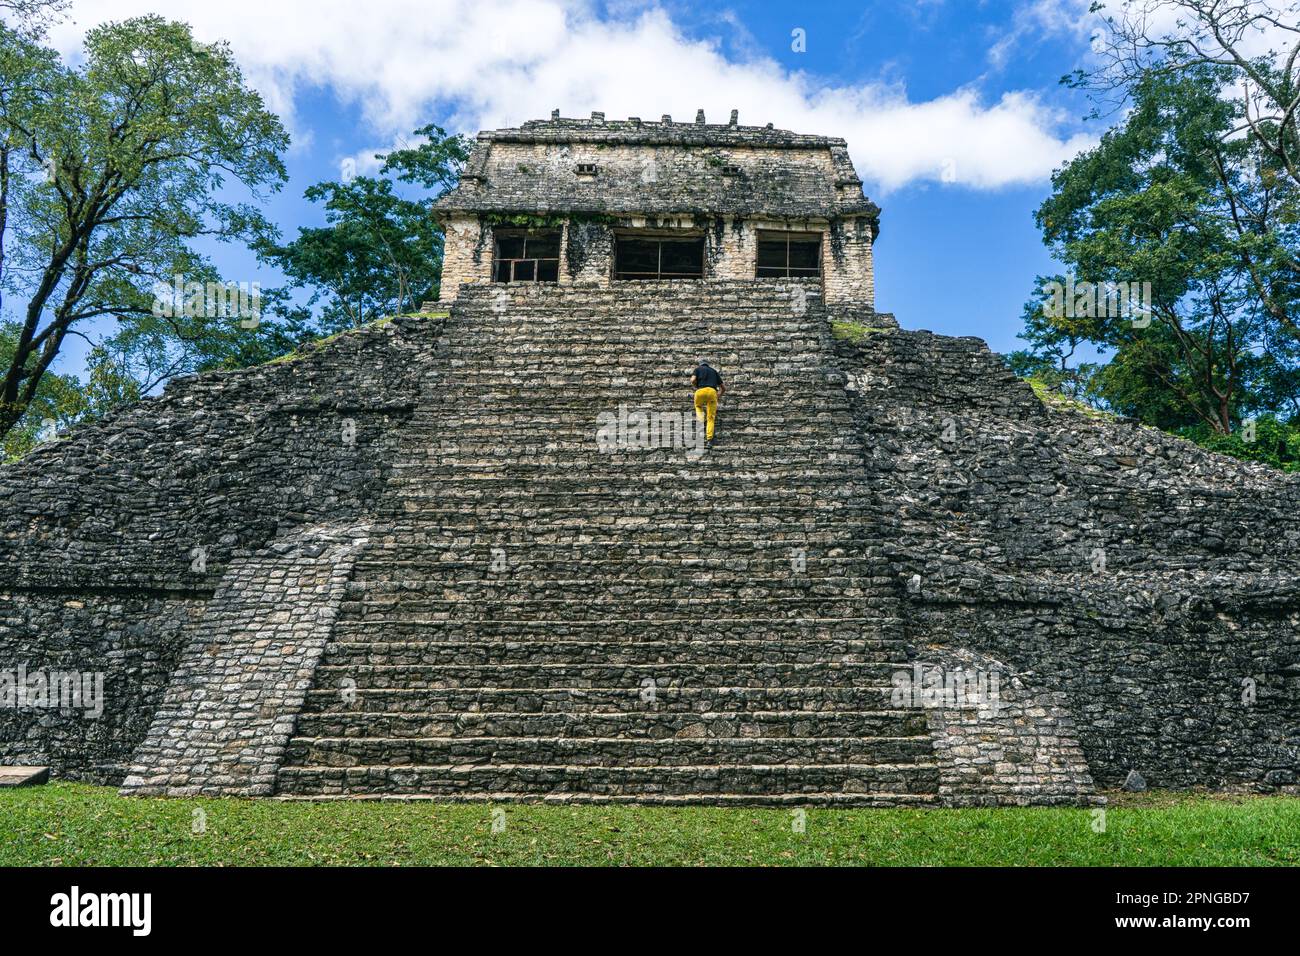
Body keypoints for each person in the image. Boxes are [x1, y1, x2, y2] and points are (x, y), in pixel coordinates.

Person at [691, 360, 725, 448]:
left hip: (700, 391)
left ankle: (701, 418)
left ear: (700, 364)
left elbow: (693, 380)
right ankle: (709, 440)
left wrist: (696, 386)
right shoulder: (714, 371)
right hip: (712, 392)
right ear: (708, 365)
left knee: (698, 406)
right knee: (711, 417)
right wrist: (718, 395)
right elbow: (723, 388)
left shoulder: (698, 369)